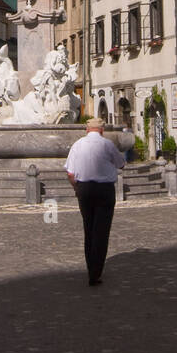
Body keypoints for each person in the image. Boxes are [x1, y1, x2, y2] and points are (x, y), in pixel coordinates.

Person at [64, 116, 127, 286]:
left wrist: (76, 188)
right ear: (101, 130)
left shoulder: (77, 145)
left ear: (86, 129)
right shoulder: (107, 144)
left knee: (89, 228)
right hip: (104, 190)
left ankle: (90, 267)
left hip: (84, 189)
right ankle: (95, 272)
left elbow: (70, 173)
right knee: (102, 230)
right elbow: (121, 164)